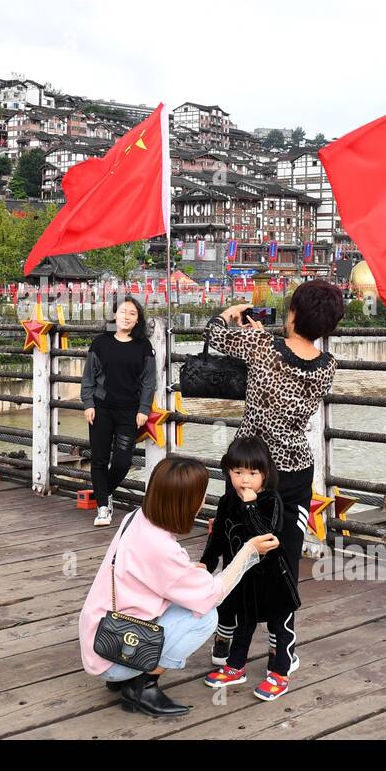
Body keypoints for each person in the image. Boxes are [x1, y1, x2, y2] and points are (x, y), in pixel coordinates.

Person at [202, 279, 346, 676]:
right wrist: (265, 338)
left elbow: (213, 333)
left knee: (238, 550)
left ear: (294, 312)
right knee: (281, 561)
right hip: (295, 474)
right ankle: (282, 652)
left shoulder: (261, 347)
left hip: (247, 472)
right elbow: (289, 371)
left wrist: (231, 314)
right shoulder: (327, 366)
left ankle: (227, 641)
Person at [79, 456, 281, 717]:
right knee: (206, 617)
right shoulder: (162, 550)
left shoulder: (137, 517)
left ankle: (123, 678)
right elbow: (213, 596)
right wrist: (248, 552)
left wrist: (188, 573)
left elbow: (152, 573)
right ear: (186, 502)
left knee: (192, 598)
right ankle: (142, 686)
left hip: (101, 635)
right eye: (200, 496)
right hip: (113, 655)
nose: (202, 501)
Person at [199, 436, 305, 701]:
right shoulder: (226, 503)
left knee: (280, 625)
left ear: (264, 474)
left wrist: (250, 504)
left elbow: (265, 536)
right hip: (242, 577)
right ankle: (236, 666)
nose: (245, 480)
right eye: (237, 472)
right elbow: (219, 539)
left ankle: (280, 672)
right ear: (228, 472)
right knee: (243, 623)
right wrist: (206, 564)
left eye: (252, 473)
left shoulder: (272, 501)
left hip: (273, 577)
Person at [80, 296, 156, 527]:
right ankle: (103, 507)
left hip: (129, 413)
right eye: (123, 312)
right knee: (99, 460)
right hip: (101, 409)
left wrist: (144, 408)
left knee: (123, 461)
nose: (126, 317)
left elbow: (148, 382)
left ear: (137, 319)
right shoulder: (100, 343)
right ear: (115, 315)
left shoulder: (143, 347)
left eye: (132, 313)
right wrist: (88, 404)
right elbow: (88, 378)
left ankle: (104, 492)